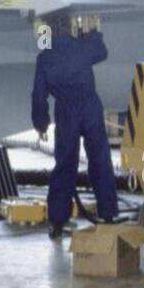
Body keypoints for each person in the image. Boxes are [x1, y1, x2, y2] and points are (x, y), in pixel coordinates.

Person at [31, 17, 120, 239]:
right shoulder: (82, 48)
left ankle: (57, 222)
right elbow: (102, 52)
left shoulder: (44, 57)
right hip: (90, 108)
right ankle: (108, 214)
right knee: (100, 161)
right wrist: (93, 33)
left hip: (66, 112)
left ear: (47, 33)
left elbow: (38, 96)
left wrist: (41, 124)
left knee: (64, 166)